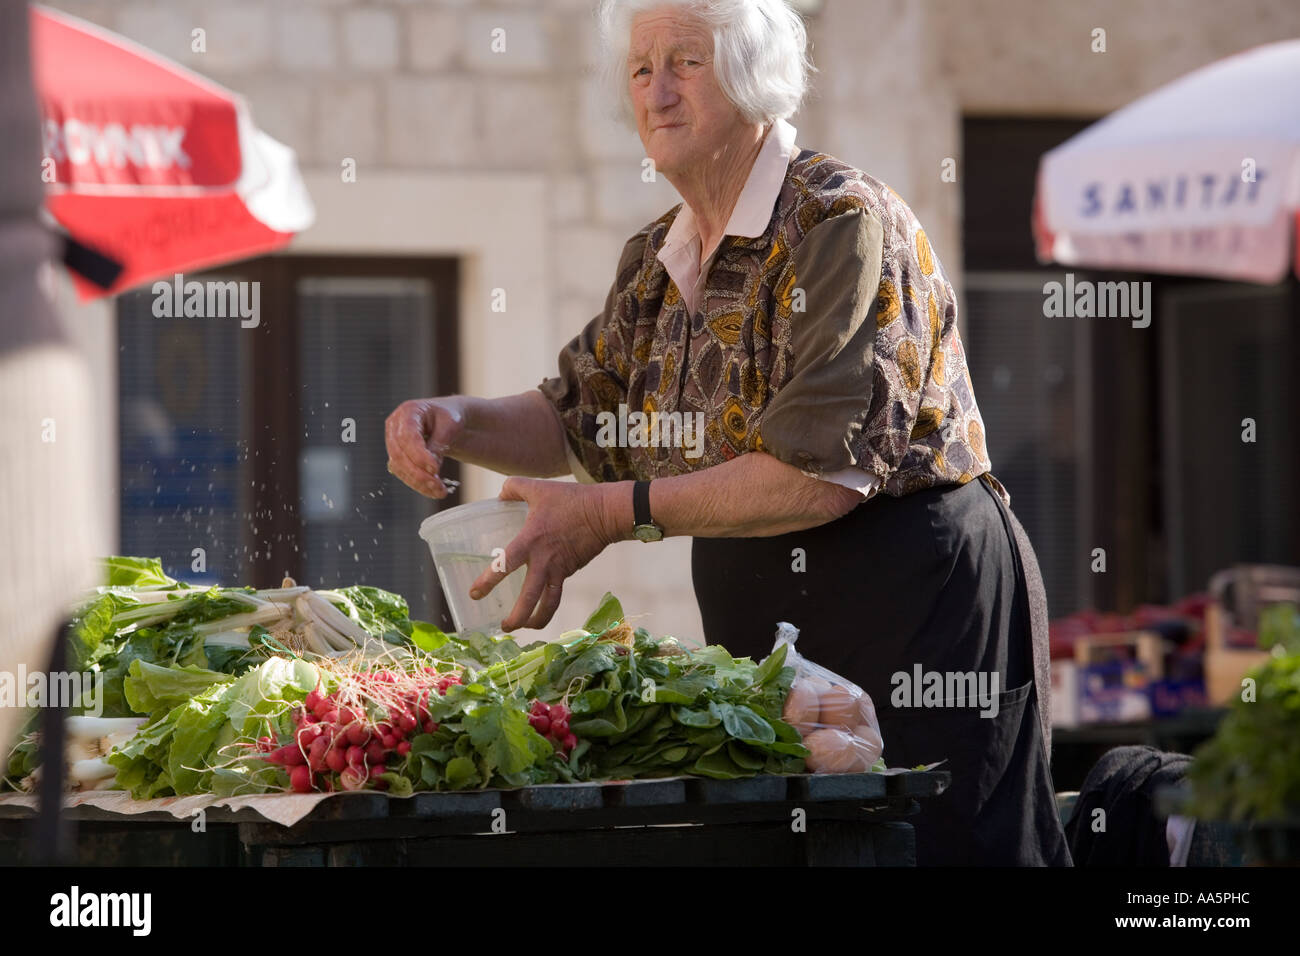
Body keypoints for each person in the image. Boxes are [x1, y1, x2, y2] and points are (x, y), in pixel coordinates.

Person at [386, 0, 1069, 866]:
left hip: (915, 597)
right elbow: (576, 415)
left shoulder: (836, 221)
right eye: (640, 70)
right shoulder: (656, 260)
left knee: (936, 848)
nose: (657, 94)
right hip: (768, 611)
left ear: (752, 76)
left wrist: (606, 513)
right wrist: (453, 421)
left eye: (687, 63)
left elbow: (818, 473)